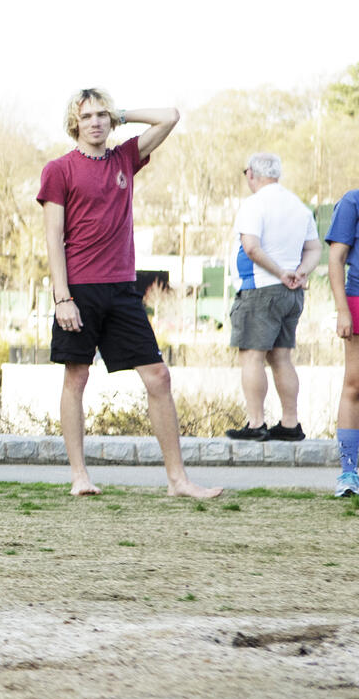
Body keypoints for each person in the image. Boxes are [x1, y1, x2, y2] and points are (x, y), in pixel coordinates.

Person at [40, 88, 221, 499]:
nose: (95, 122)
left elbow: (170, 116)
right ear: (74, 124)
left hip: (123, 288)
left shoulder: (124, 158)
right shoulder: (59, 170)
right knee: (76, 376)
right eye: (87, 116)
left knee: (159, 376)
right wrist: (62, 298)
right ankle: (80, 477)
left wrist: (121, 113)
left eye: (102, 115)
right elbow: (53, 238)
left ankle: (178, 481)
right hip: (79, 290)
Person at [223, 152, 321, 442]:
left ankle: (256, 423)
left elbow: (251, 247)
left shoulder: (254, 204)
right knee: (281, 357)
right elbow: (314, 248)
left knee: (251, 356)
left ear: (251, 174)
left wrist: (280, 272)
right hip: (291, 293)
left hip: (259, 290)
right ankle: (290, 423)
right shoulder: (299, 206)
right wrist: (300, 273)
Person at [325, 186, 359, 498]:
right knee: (354, 384)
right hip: (357, 299)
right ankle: (348, 473)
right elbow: (335, 259)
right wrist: (342, 310)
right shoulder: (352, 201)